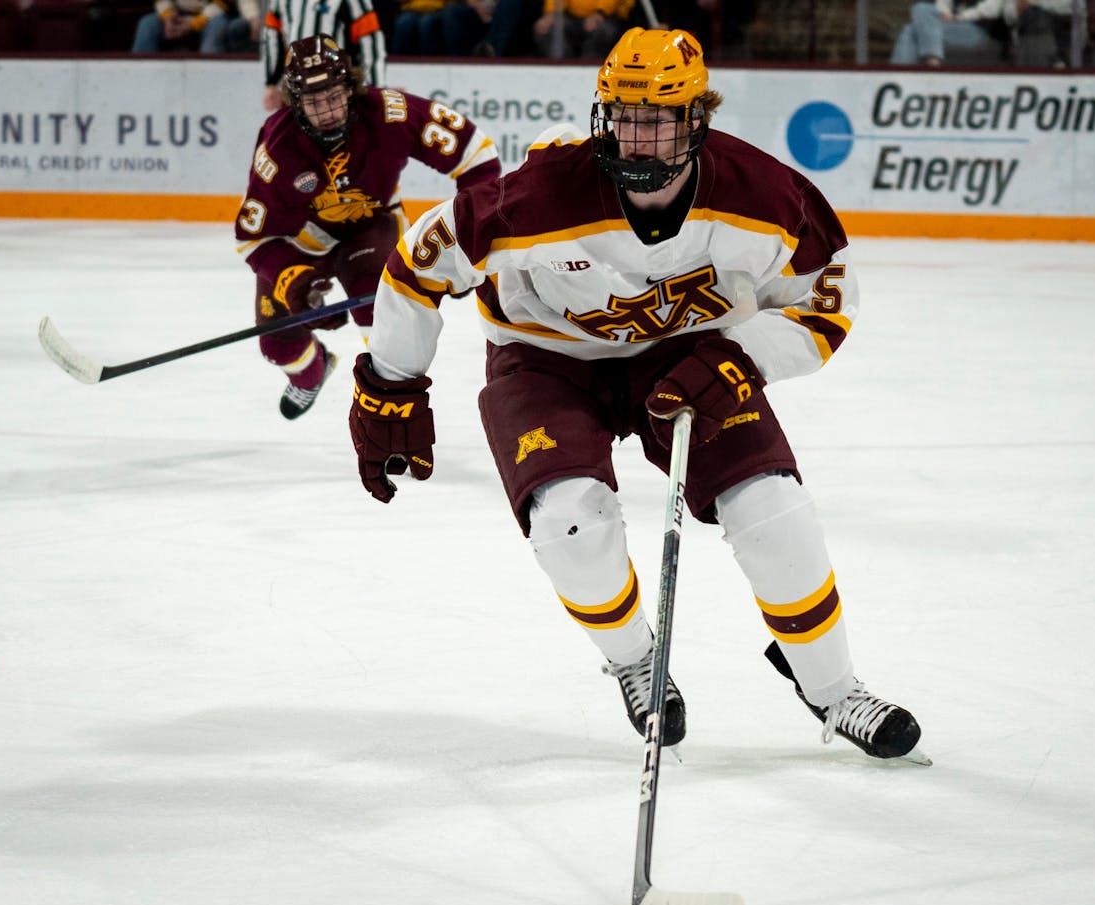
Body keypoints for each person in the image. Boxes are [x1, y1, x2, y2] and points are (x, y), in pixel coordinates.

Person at [347, 27, 926, 762]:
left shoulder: (762, 194)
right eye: (622, 116)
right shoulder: (541, 196)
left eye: (656, 119)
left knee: (774, 509)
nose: (636, 136)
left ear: (695, 119)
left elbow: (824, 300)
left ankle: (834, 689)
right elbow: (418, 263)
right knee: (570, 523)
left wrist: (737, 358)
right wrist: (390, 384)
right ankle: (635, 661)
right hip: (545, 359)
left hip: (682, 359)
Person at [233, 35, 501, 419]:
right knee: (278, 345)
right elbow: (254, 239)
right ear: (296, 103)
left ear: (351, 87)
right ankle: (312, 373)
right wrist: (292, 278)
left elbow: (476, 153)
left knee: (379, 314)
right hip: (300, 242)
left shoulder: (389, 112)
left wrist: (468, 239)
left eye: (333, 96)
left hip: (372, 226)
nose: (326, 110)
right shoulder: (277, 147)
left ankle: (390, 413)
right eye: (312, 101)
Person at [261, 0, 388, 112]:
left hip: (336, 89)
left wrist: (374, 90)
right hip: (297, 88)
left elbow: (371, 44)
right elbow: (272, 34)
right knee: (295, 136)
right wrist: (271, 82)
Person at [889, 0, 1013, 65]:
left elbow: (991, 10)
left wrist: (959, 17)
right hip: (955, 28)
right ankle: (932, 59)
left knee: (914, 23)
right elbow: (942, 4)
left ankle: (899, 78)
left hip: (984, 31)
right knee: (911, 28)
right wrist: (945, 14)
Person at [131, 0, 244, 53]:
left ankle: (209, 79)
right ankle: (141, 79)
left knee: (218, 26)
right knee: (147, 24)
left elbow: (224, 3)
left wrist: (196, 22)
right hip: (176, 14)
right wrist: (168, 16)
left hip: (210, 16)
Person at [534, 0, 635, 58]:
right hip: (573, 16)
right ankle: (560, 71)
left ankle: (593, 72)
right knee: (548, 29)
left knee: (603, 30)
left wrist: (600, 12)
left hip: (610, 15)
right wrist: (551, 13)